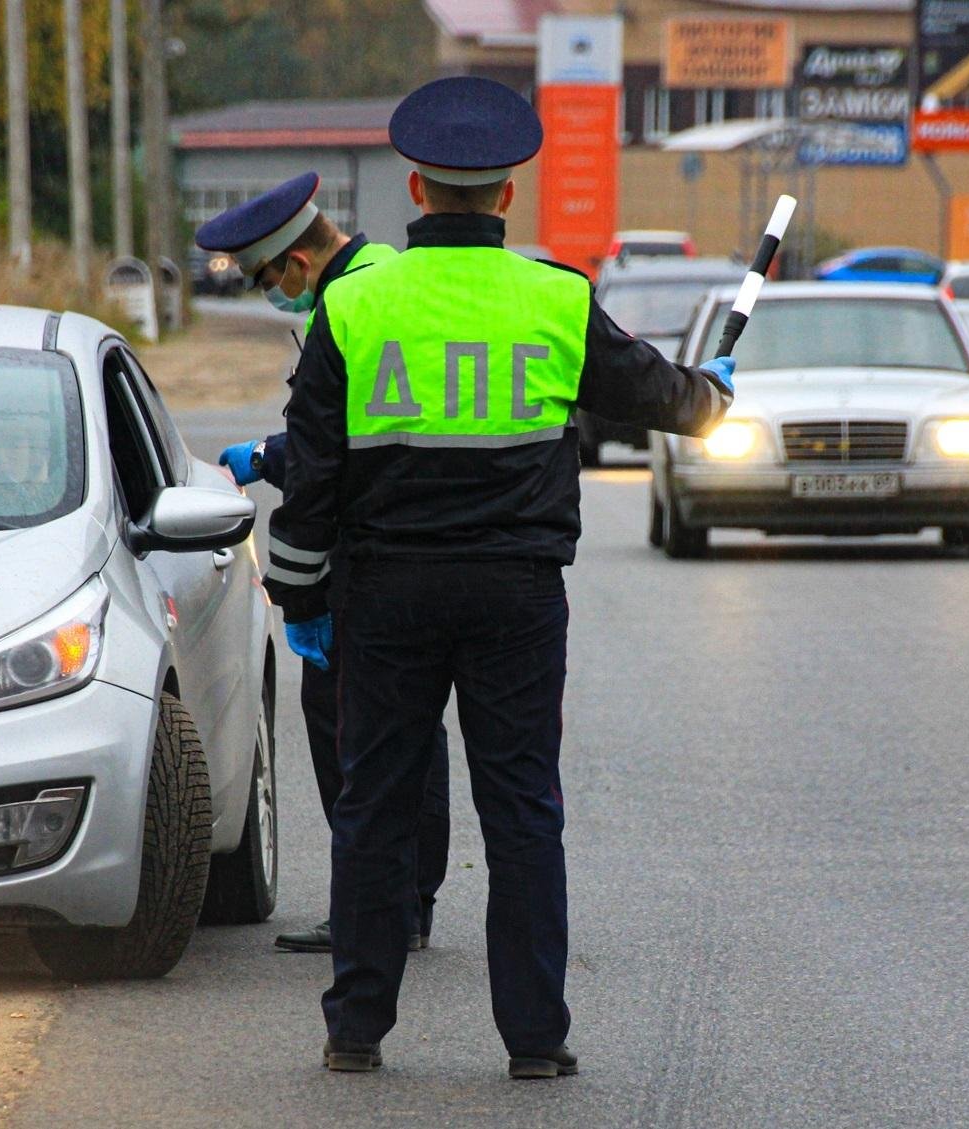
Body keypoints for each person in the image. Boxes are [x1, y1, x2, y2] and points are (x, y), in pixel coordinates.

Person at [261, 76, 737, 1079]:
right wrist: (711, 397)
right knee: (521, 811)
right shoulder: (556, 297)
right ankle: (535, 1040)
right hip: (517, 594)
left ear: (418, 191)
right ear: (507, 196)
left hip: (386, 594)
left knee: (375, 807)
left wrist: (305, 603)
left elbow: (312, 481)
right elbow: (661, 396)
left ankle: (355, 1027)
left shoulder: (353, 303)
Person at [194, 175, 452, 954]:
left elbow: (331, 451)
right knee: (412, 735)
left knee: (356, 741)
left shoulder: (349, 303)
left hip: (361, 558)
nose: (272, 293)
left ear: (298, 261)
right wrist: (271, 455)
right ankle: (408, 900)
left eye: (270, 278)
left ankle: (373, 910)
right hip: (413, 544)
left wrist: (301, 595)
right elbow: (371, 421)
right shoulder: (384, 281)